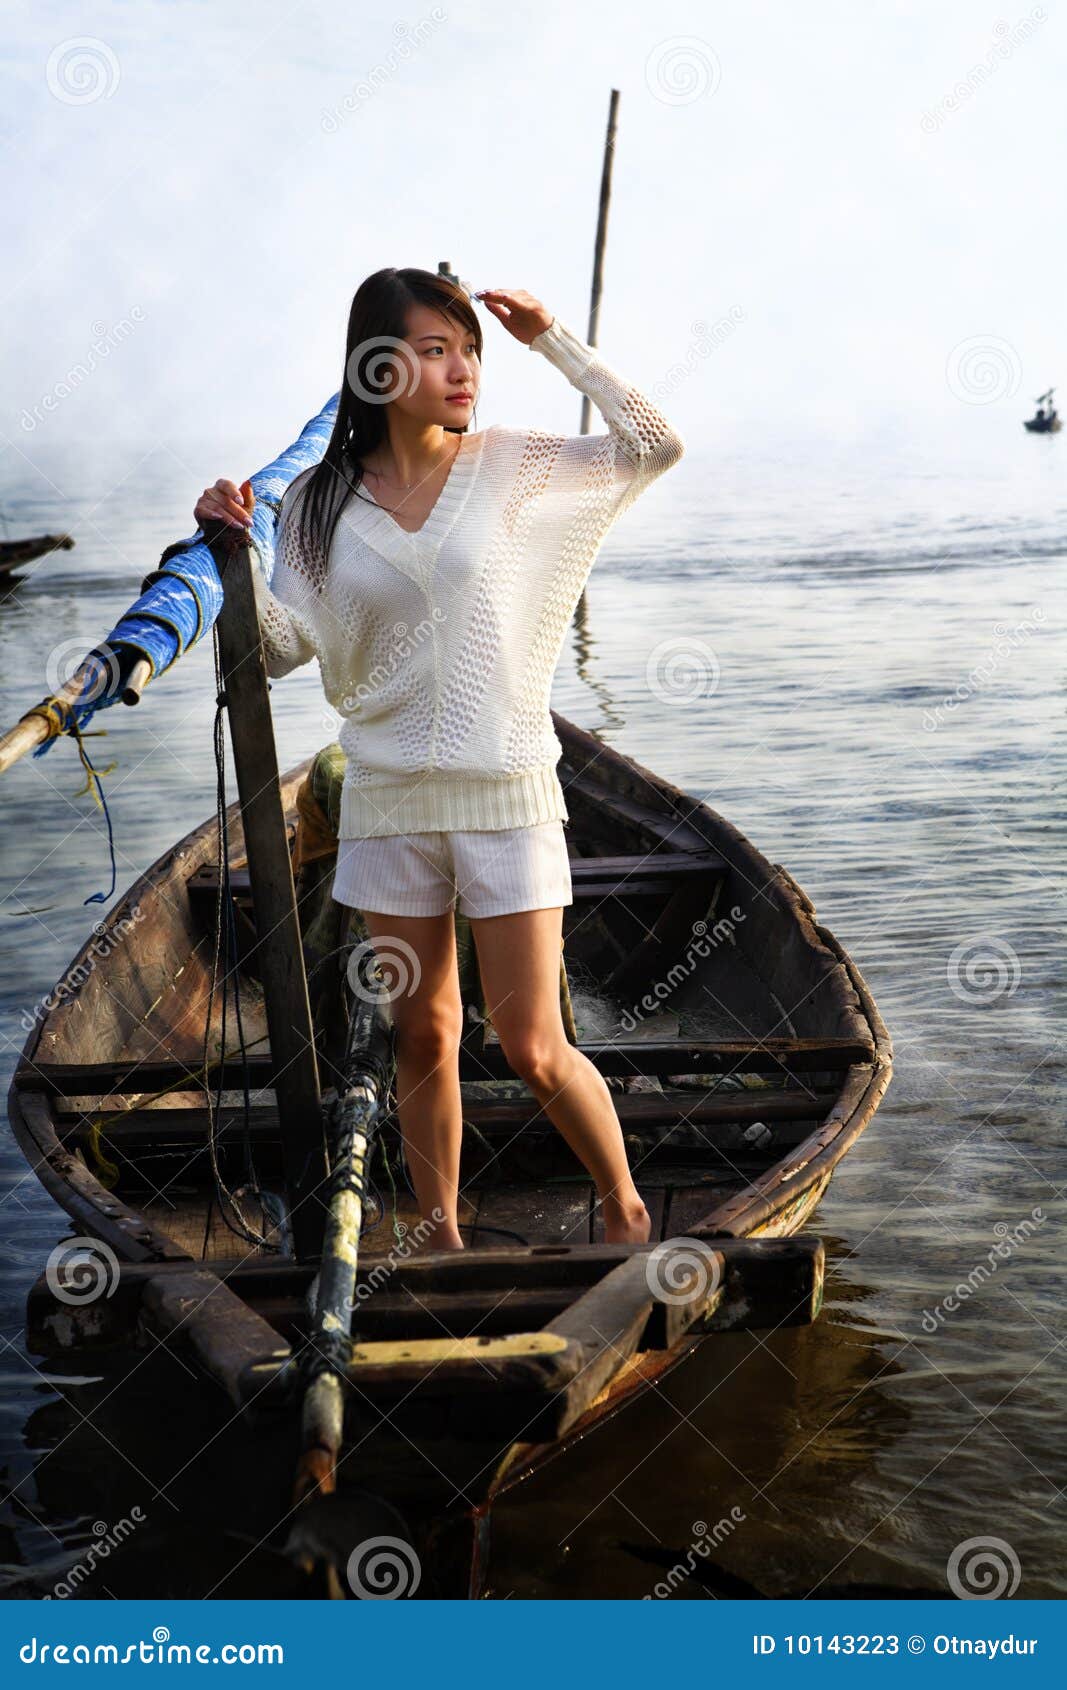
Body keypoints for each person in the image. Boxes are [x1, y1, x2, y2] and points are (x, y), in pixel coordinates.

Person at [194, 267, 685, 1251]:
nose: (461, 368)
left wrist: (553, 339)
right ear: (375, 365)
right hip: (386, 804)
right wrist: (232, 554)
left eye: (468, 350)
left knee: (533, 1046)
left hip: (505, 794)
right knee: (423, 1034)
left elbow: (653, 447)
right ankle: (442, 1234)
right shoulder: (317, 505)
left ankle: (628, 1213)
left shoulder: (510, 464)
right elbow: (284, 645)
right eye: (432, 349)